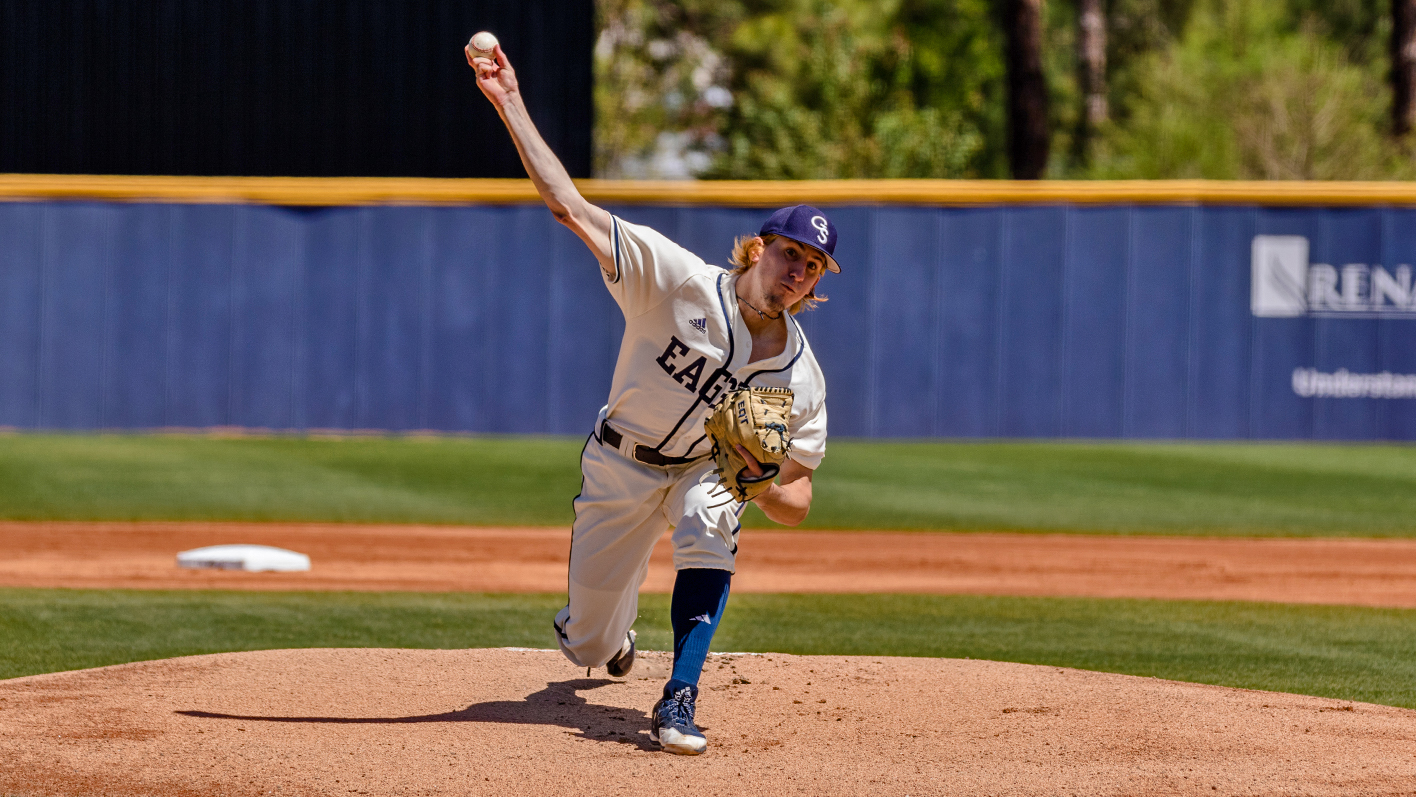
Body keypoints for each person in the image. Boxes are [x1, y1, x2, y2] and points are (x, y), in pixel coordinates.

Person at [467, 41, 837, 756]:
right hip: (620, 465)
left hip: (703, 467)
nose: (798, 270)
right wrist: (508, 98)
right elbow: (565, 204)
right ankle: (613, 637)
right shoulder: (674, 279)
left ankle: (680, 696)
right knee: (587, 641)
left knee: (710, 516)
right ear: (759, 249)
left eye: (813, 266)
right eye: (791, 251)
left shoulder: (800, 374)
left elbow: (798, 499)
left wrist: (758, 482)